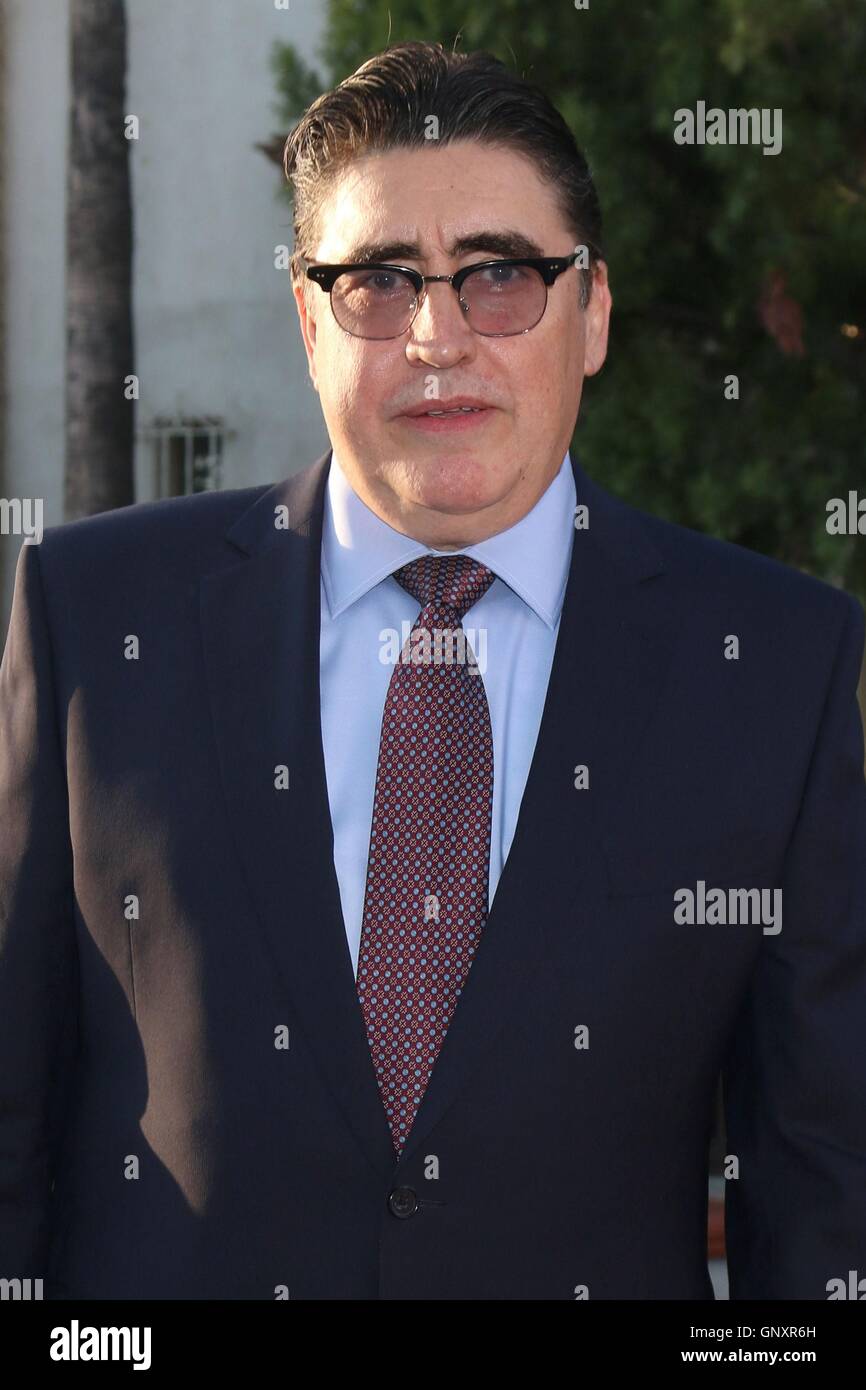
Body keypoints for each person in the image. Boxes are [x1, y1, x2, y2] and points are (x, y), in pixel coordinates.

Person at [1, 40, 864, 1301]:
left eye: (500, 275)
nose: (435, 335)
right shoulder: (96, 618)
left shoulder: (769, 665)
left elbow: (820, 1177)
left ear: (594, 314)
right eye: (378, 279)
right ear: (307, 317)